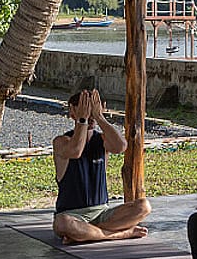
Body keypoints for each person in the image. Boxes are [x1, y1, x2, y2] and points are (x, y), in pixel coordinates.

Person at [52, 88, 150, 244]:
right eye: (86, 110)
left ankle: (88, 233)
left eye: (92, 111)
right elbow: (76, 151)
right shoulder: (61, 141)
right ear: (72, 112)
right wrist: (82, 119)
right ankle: (119, 234)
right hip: (72, 215)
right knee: (62, 223)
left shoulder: (103, 139)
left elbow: (120, 147)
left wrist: (99, 116)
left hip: (102, 213)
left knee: (144, 206)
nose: (90, 116)